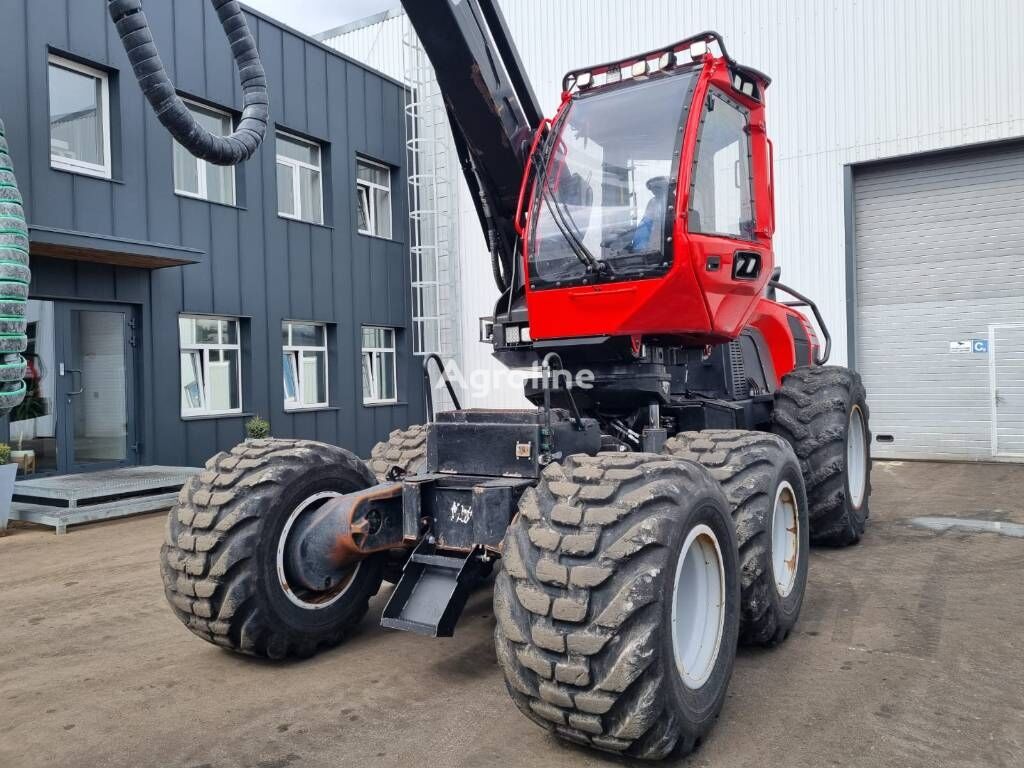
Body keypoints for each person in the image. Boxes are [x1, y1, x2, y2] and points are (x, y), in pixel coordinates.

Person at [629, 175, 669, 252]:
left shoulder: (676, 202)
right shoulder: (653, 202)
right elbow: (645, 225)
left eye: (658, 187)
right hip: (654, 251)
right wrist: (640, 247)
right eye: (652, 189)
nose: (654, 191)